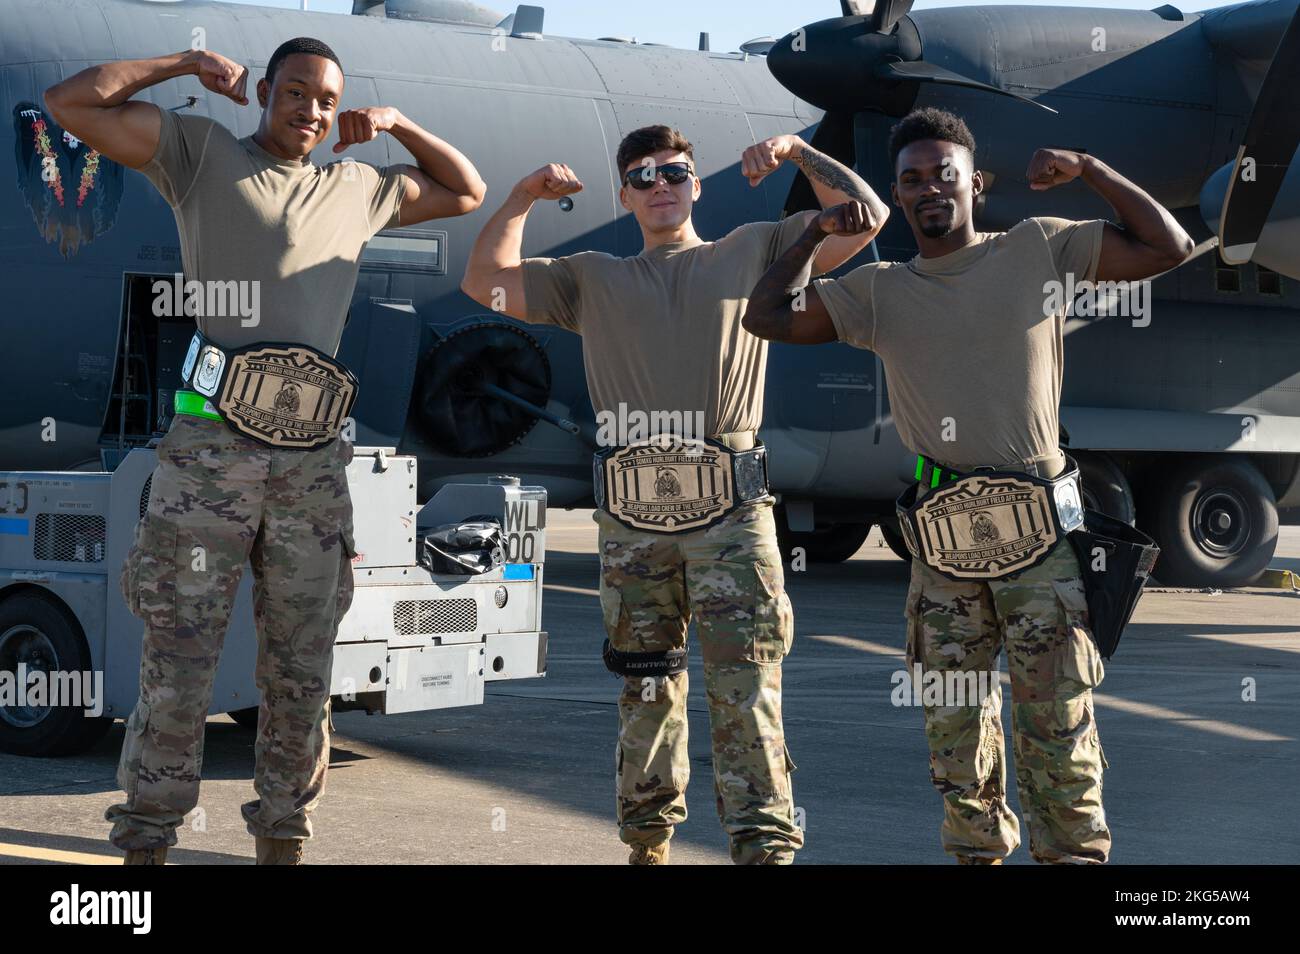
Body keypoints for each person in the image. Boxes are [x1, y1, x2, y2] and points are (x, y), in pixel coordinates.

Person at [44, 36, 485, 864]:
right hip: (211, 446)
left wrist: (399, 124)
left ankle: (283, 834)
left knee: (302, 663)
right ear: (264, 94)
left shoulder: (360, 188)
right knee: (179, 650)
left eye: (326, 99)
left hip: (313, 462)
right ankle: (146, 840)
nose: (311, 109)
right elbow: (73, 106)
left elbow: (467, 191)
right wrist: (182, 66)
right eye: (296, 92)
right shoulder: (198, 152)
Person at [741, 107, 1193, 864]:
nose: (928, 190)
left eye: (942, 174)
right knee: (954, 736)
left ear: (974, 184)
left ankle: (1073, 857)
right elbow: (766, 317)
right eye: (911, 179)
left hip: (1041, 539)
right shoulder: (879, 290)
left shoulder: (1038, 248)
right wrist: (816, 237)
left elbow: (1168, 246)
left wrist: (1089, 168)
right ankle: (977, 853)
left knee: (1057, 725)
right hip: (945, 544)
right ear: (899, 191)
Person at [461, 125, 888, 863]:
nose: (661, 184)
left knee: (745, 689)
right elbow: (486, 278)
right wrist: (525, 196)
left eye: (675, 172)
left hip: (730, 514)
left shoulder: (756, 249)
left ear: (696, 185)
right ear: (625, 195)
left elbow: (866, 215)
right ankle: (647, 843)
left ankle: (764, 849)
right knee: (646, 689)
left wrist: (793, 151)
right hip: (634, 523)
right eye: (644, 175)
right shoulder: (591, 276)